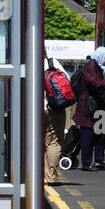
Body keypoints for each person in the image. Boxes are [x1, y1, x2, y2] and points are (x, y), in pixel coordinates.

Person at [74, 46, 105, 171]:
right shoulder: (90, 67)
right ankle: (86, 163)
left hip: (98, 108)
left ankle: (99, 160)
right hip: (88, 109)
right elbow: (96, 84)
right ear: (100, 57)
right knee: (88, 135)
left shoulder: (98, 67)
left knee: (101, 134)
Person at [43, 56, 69, 184]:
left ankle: (29, 175)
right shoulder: (51, 63)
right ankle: (51, 177)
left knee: (30, 142)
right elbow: (67, 82)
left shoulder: (23, 63)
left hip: (30, 110)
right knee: (54, 142)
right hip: (54, 108)